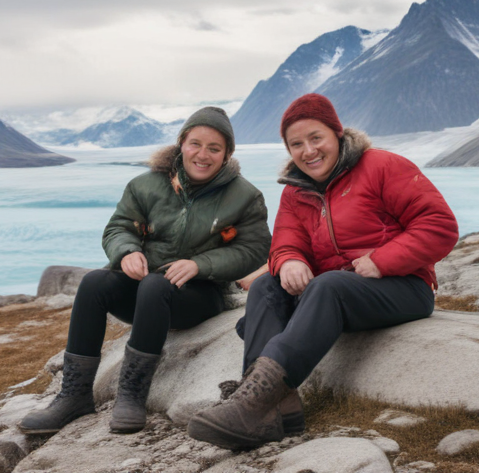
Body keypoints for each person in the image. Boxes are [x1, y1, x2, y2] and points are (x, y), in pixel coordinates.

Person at [188, 93, 459, 449]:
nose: (308, 151)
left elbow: (440, 225)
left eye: (316, 138)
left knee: (328, 285)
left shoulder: (382, 166)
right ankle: (272, 412)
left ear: (337, 134)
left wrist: (382, 260)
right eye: (296, 144)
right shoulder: (295, 191)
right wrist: (290, 261)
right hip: (338, 291)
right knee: (267, 285)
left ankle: (252, 403)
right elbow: (287, 241)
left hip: (404, 287)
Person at [19, 107, 271, 435]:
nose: (203, 154)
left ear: (227, 155)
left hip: (201, 296)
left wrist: (200, 264)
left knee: (156, 285)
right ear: (181, 143)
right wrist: (127, 251)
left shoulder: (244, 196)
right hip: (146, 291)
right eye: (195, 143)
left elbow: (252, 251)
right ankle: (74, 396)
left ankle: (132, 396)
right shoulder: (146, 184)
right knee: (95, 282)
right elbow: (120, 227)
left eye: (214, 148)